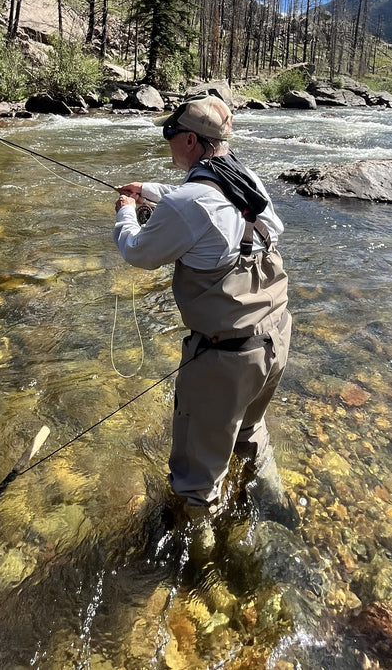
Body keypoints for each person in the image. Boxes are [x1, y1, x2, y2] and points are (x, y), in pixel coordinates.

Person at [113, 94, 296, 531]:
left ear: (191, 140)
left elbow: (138, 252)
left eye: (170, 133)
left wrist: (125, 212)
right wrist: (149, 191)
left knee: (196, 479)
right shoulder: (245, 177)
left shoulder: (187, 204)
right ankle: (276, 506)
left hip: (224, 358)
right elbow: (205, 202)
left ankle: (198, 559)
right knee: (250, 431)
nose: (168, 140)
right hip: (275, 338)